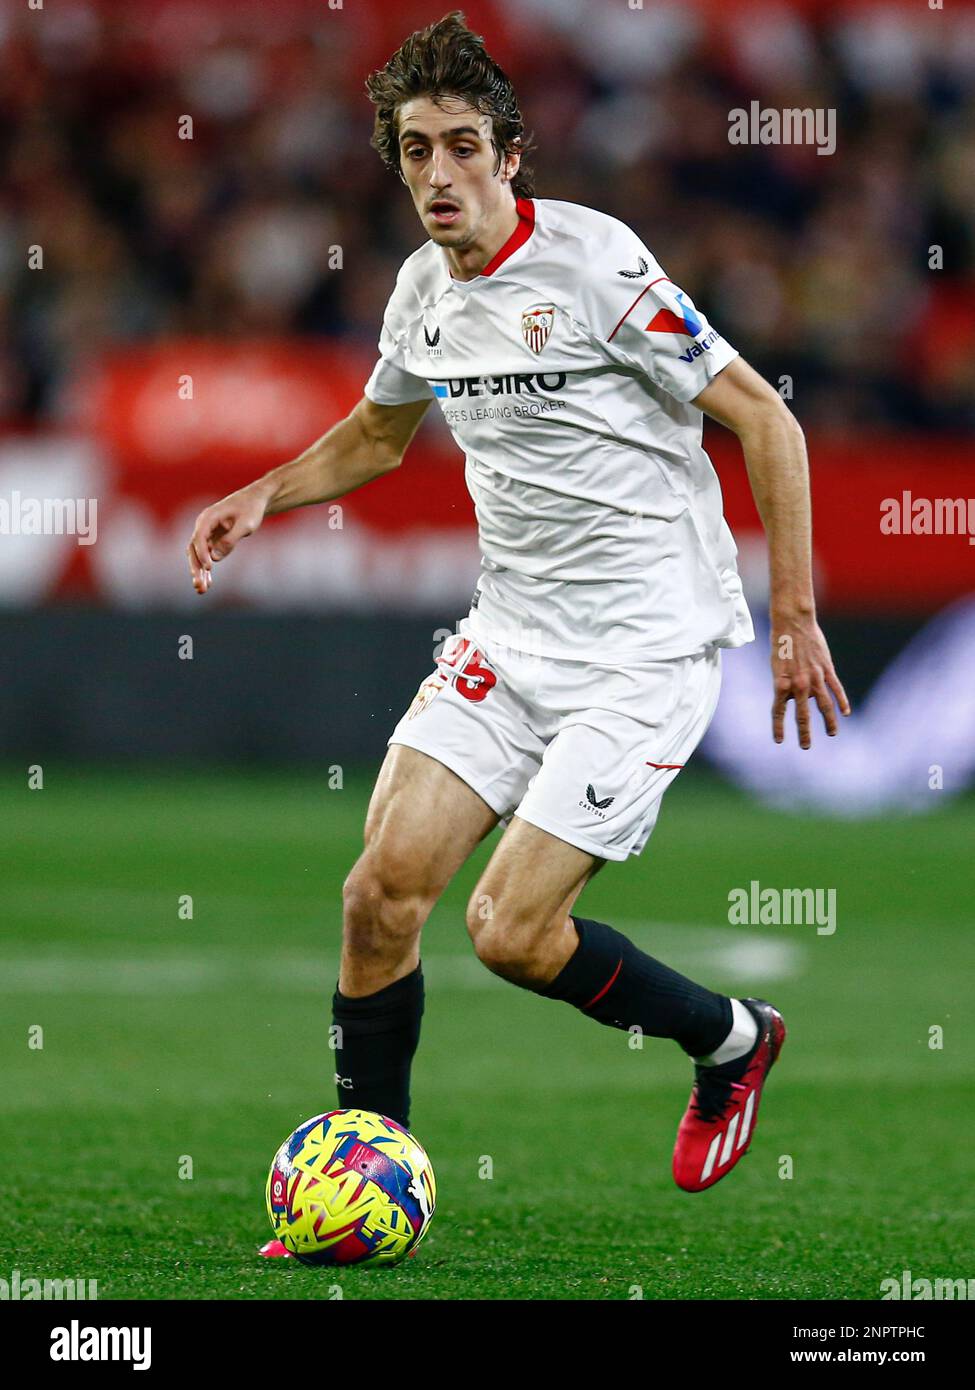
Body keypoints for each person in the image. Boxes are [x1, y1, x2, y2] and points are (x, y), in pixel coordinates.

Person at [186, 12, 849, 1202]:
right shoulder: (419, 292)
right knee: (378, 897)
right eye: (414, 150)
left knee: (510, 933)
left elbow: (768, 419)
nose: (437, 173)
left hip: (645, 651)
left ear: (508, 153)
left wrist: (794, 613)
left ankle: (733, 1041)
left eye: (459, 146)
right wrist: (263, 494)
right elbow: (381, 435)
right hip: (511, 635)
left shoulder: (596, 263)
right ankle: (363, 1172)